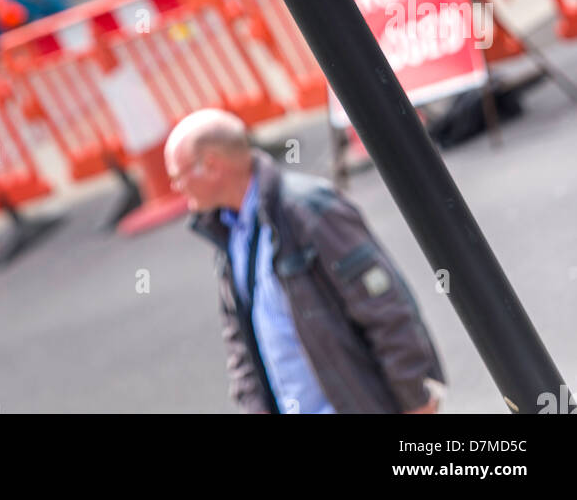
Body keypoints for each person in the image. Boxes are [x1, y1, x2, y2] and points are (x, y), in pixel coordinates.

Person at [165, 109, 446, 416]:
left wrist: (415, 397)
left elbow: (384, 306)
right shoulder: (227, 231)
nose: (176, 188)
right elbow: (240, 341)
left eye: (178, 176)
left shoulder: (308, 210)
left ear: (212, 166)